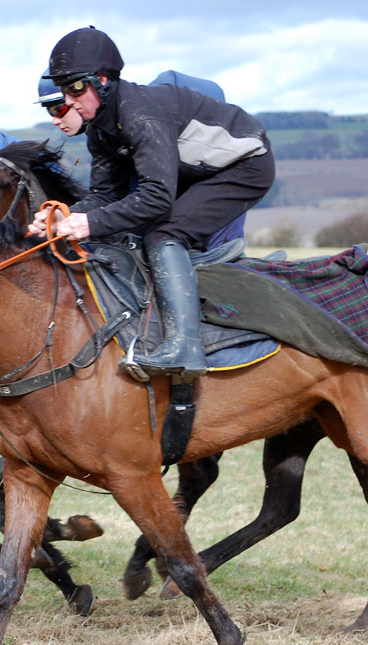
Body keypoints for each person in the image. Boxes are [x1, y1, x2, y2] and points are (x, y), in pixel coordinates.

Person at [29, 27, 275, 381]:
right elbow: (106, 194)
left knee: (163, 234)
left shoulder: (141, 114)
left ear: (102, 81)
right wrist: (64, 218)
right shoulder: (100, 127)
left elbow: (156, 198)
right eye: (64, 90)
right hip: (199, 169)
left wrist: (89, 225)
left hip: (246, 166)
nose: (69, 101)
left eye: (76, 88)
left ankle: (185, 346)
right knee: (134, 230)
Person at [36, 68, 246, 249]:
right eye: (49, 111)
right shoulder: (104, 134)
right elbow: (107, 197)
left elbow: (148, 204)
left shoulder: (136, 124)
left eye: (59, 109)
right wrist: (64, 216)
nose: (55, 120)